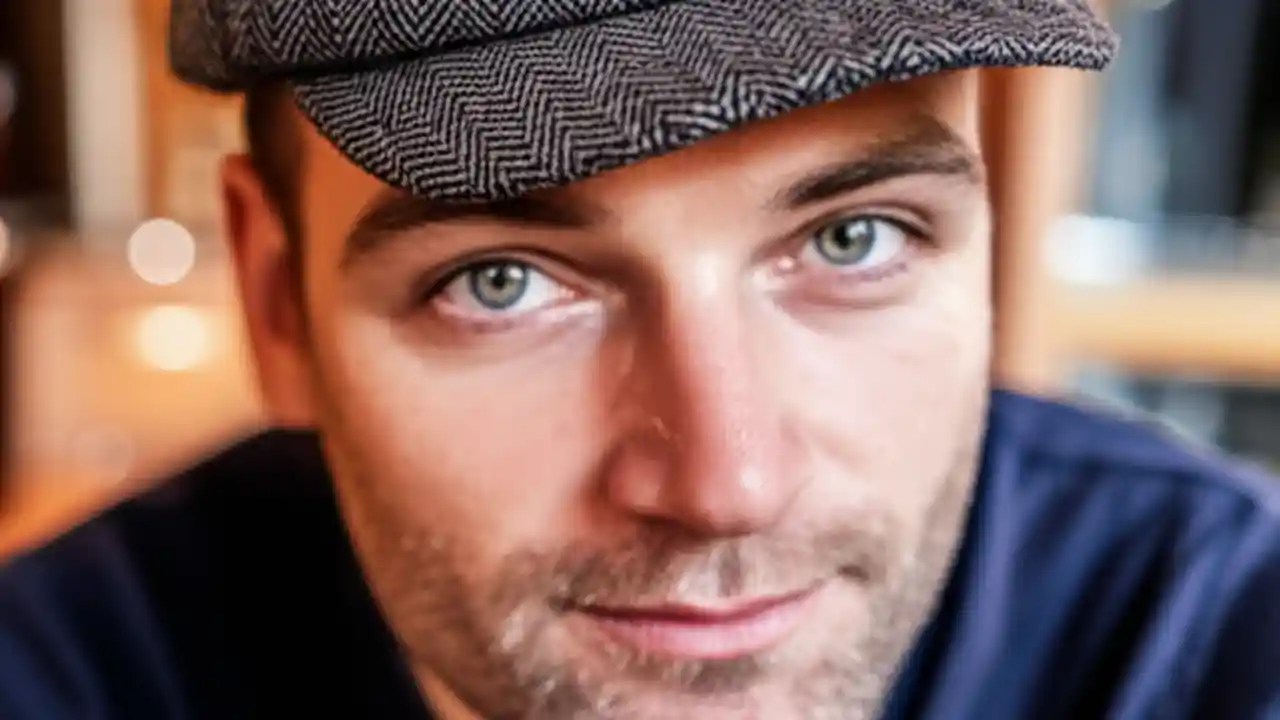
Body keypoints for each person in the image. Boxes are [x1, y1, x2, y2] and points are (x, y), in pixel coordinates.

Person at [1, 1, 1277, 718]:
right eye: (499, 283)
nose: (725, 483)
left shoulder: (1213, 640)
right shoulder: (61, 675)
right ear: (276, 305)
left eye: (854, 237)